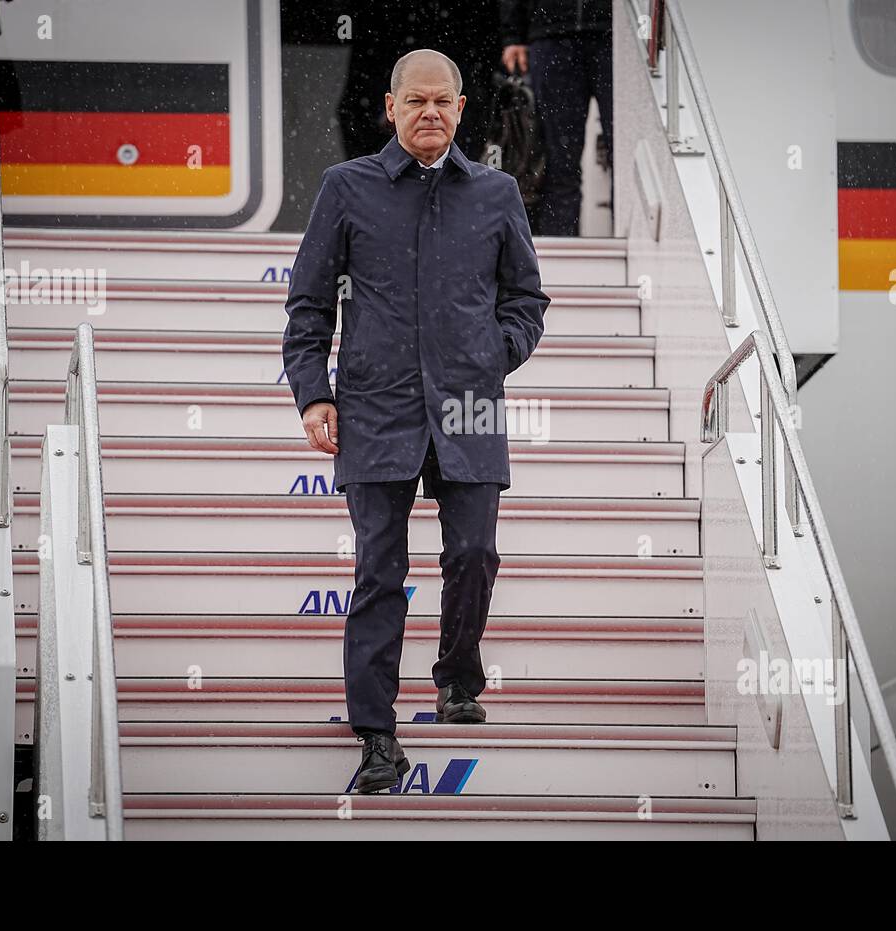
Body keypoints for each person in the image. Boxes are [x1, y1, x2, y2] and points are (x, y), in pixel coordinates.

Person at [282, 49, 550, 793]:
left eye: (442, 102)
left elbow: (526, 299)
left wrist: (493, 354)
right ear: (391, 109)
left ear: (461, 110)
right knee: (379, 572)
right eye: (415, 101)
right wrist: (314, 394)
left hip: (469, 406)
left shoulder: (496, 193)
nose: (429, 112)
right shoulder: (346, 187)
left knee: (474, 553)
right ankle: (376, 734)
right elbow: (309, 303)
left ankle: (458, 677)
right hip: (376, 408)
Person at [500, 0, 613, 236]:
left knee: (622, 157)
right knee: (558, 161)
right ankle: (560, 246)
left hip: (613, 34)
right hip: (552, 32)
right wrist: (513, 35)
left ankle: (635, 244)